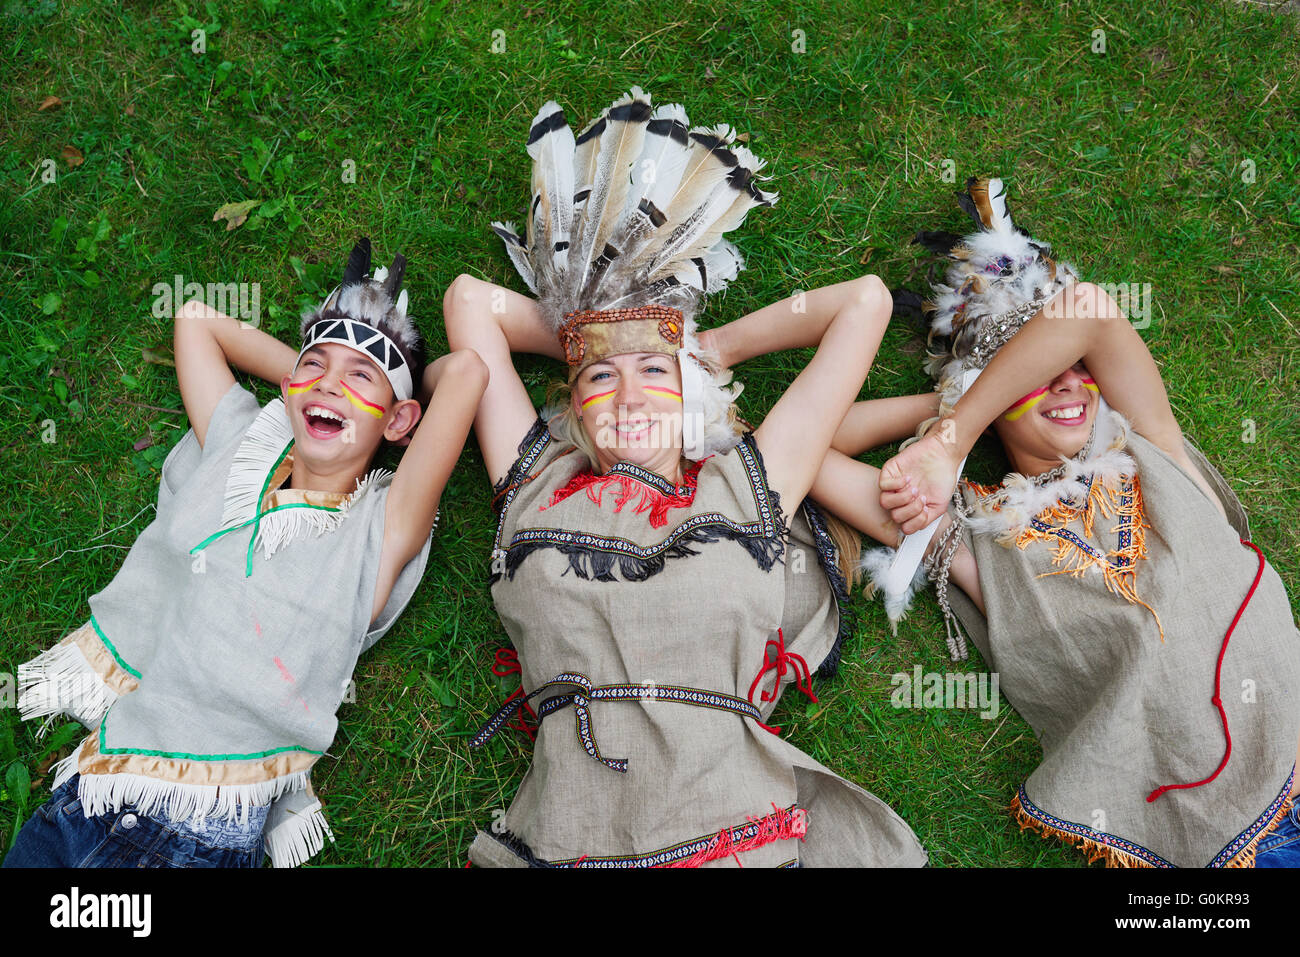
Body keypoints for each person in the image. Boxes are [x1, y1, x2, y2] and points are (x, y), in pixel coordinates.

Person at [447, 88, 926, 867]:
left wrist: (710, 345)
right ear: (573, 403)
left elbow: (864, 303)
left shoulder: (749, 481)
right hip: (565, 840)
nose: (629, 395)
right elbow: (469, 302)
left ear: (689, 390)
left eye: (652, 374)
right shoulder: (529, 481)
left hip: (728, 836)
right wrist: (599, 325)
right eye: (599, 381)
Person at [822, 178, 1300, 867]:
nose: (1069, 381)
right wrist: (952, 406)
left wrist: (955, 434)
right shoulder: (977, 536)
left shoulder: (1152, 448)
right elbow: (809, 442)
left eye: (1074, 368)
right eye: (1036, 377)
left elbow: (1090, 311)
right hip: (1249, 849)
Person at [4, 239, 487, 868]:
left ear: (399, 424)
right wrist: (310, 385)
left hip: (200, 843)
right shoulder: (240, 447)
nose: (332, 386)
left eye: (360, 377)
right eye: (315, 367)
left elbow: (468, 372)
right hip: (84, 799)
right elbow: (197, 319)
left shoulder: (382, 524)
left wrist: (383, 380)